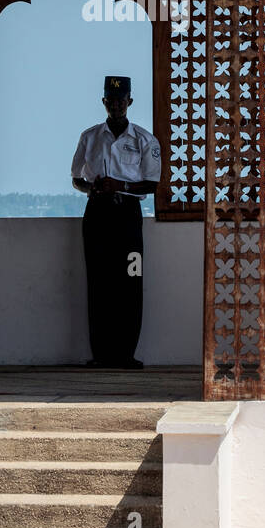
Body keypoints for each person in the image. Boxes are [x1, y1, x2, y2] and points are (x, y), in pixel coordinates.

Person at [71, 75, 162, 368]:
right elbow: (77, 179)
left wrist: (118, 187)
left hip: (127, 216)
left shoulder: (144, 139)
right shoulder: (89, 137)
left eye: (121, 100)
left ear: (130, 102)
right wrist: (93, 188)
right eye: (111, 100)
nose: (116, 105)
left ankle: (125, 355)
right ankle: (102, 355)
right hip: (97, 215)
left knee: (130, 281)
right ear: (104, 102)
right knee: (99, 282)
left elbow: (151, 185)